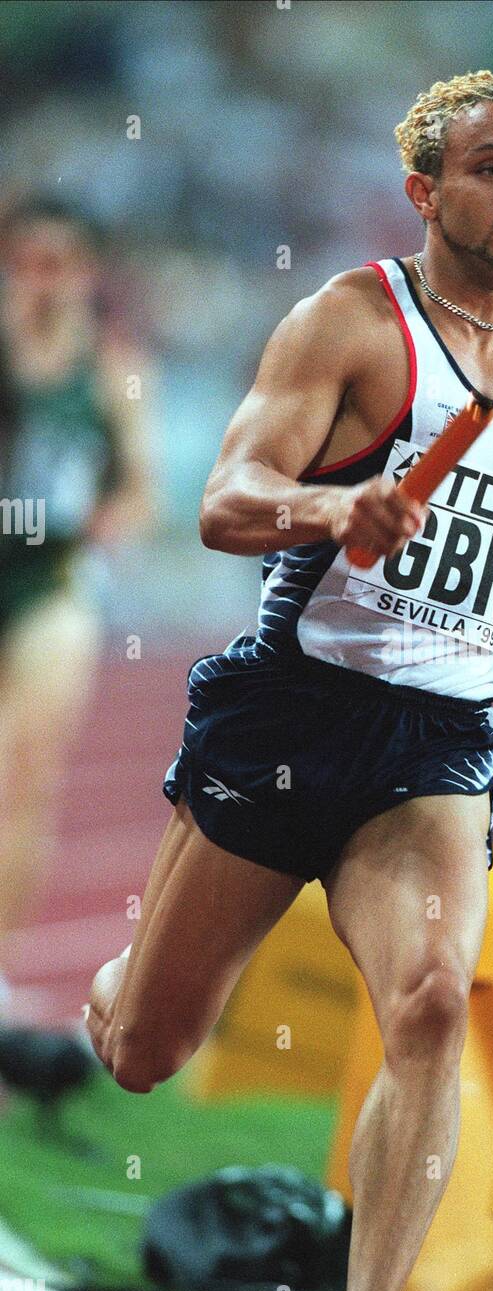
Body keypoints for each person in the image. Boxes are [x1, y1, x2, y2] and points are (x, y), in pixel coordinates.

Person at [86, 69, 493, 1291]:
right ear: (422, 188)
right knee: (142, 1052)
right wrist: (333, 502)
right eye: (490, 169)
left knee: (431, 1001)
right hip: (292, 709)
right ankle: (118, 984)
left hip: (436, 743)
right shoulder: (349, 322)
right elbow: (225, 503)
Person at [0, 194, 155, 1021]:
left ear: (89, 275)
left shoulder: (113, 369)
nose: (41, 281)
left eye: (59, 264)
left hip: (49, 581)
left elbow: (139, 484)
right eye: (26, 262)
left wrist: (104, 531)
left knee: (25, 774)